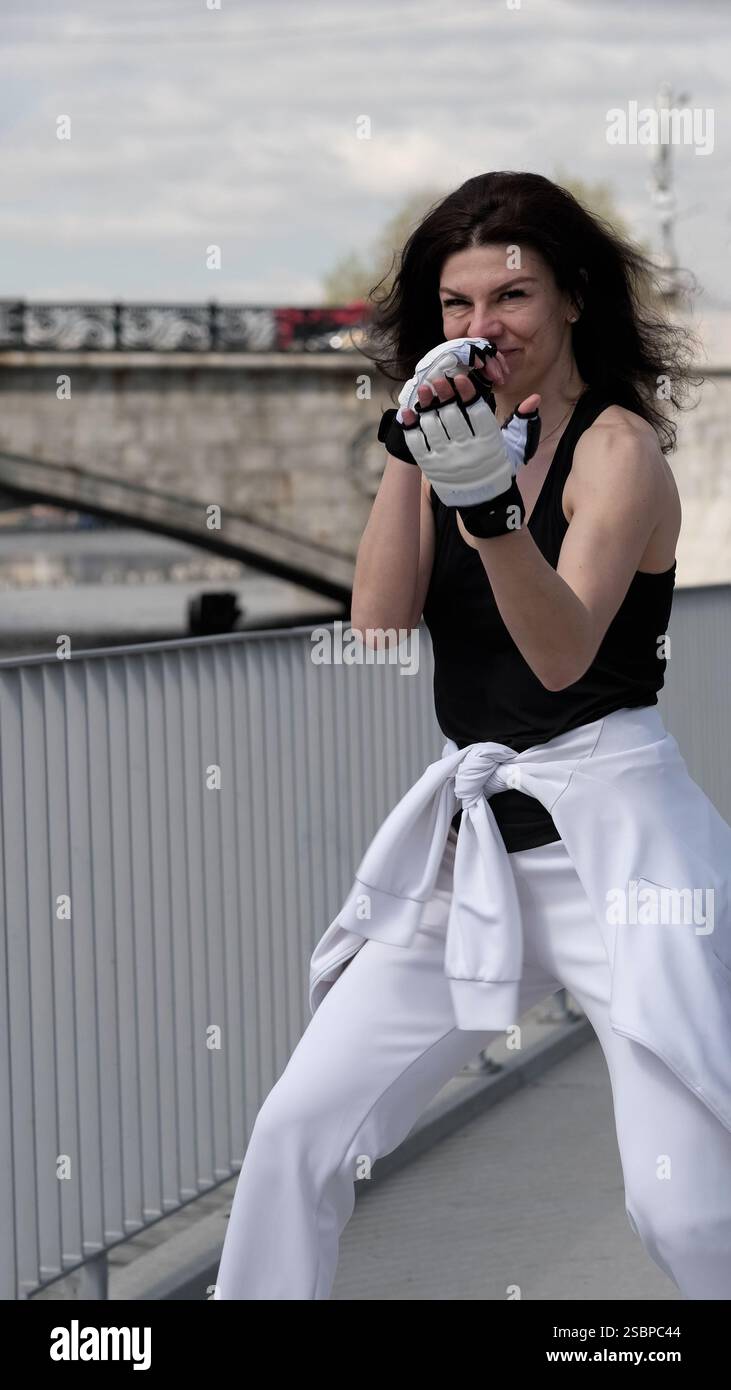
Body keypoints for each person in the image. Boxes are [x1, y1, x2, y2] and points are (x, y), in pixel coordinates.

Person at [214, 171, 731, 1301]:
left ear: (574, 299)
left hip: (617, 844)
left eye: (511, 296)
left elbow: (559, 655)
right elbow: (379, 622)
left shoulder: (617, 451)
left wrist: (491, 515)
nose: (480, 327)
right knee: (298, 1129)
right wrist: (411, 456)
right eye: (454, 304)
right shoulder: (445, 433)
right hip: (476, 848)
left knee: (683, 1203)